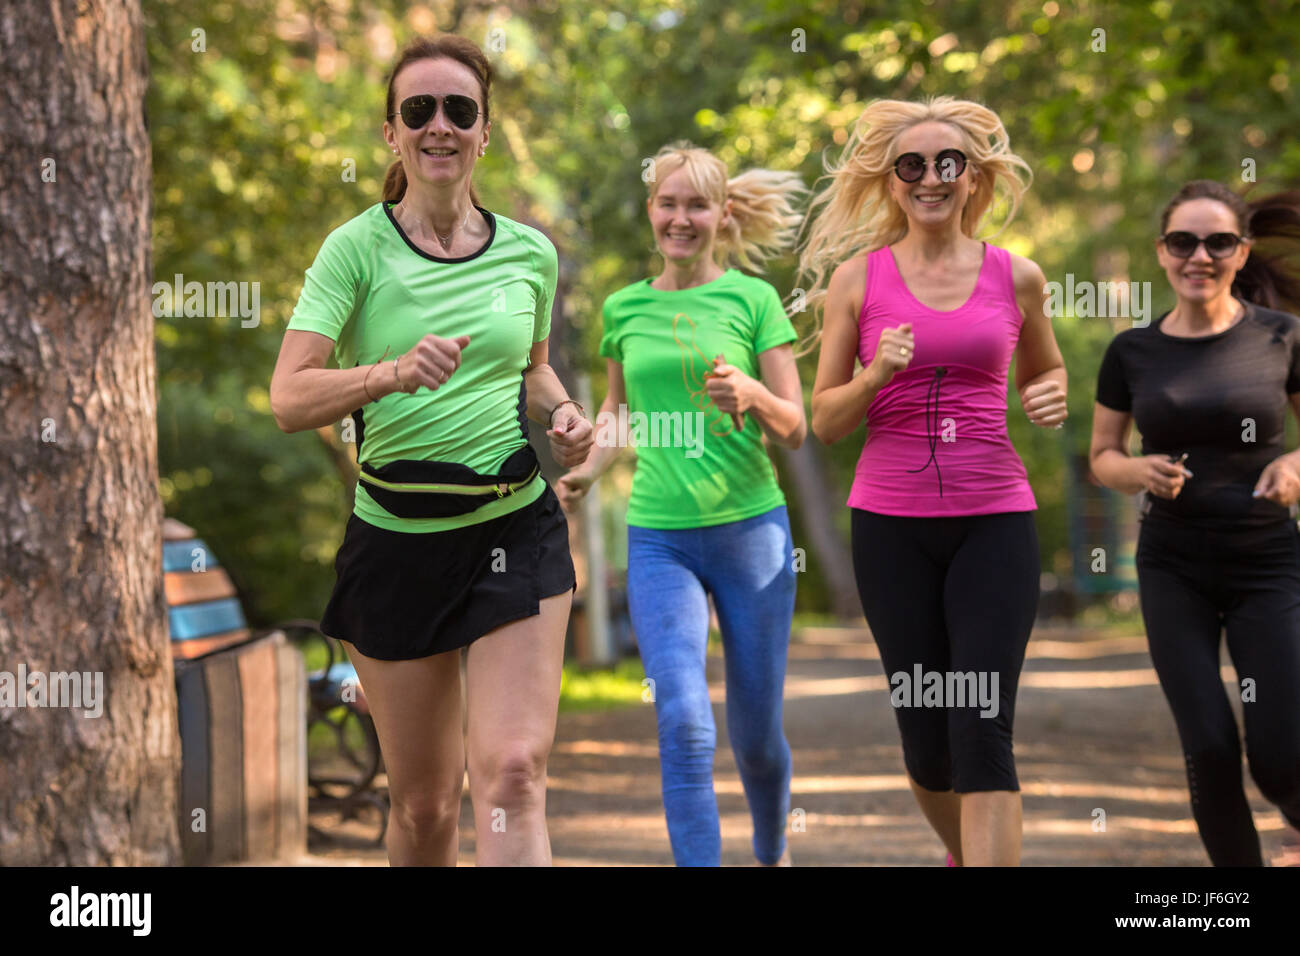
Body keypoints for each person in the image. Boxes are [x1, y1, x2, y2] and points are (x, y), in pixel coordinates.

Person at [268, 34, 593, 866]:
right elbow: (289, 396)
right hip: (397, 543)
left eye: (460, 110)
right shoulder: (356, 250)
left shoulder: (530, 252)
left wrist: (565, 418)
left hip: (512, 527)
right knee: (423, 807)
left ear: (484, 132)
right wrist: (385, 374)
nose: (439, 126)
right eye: (419, 110)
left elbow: (536, 371)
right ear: (392, 133)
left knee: (514, 774)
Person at [799, 97, 1067, 866]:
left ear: (972, 176)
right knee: (928, 741)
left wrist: (1048, 396)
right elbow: (824, 420)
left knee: (981, 726)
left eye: (946, 163)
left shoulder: (1018, 277)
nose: (929, 178)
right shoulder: (857, 282)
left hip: (996, 520)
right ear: (890, 183)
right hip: (890, 528)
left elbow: (1045, 375)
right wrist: (877, 372)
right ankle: (964, 855)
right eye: (910, 165)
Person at [556, 142, 807, 866]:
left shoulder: (753, 300)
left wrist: (753, 394)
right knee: (684, 722)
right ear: (651, 212)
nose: (680, 218)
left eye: (696, 204)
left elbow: (795, 427)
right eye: (668, 203)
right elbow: (616, 411)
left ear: (722, 215)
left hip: (751, 532)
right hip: (660, 537)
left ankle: (771, 852)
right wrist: (589, 471)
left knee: (756, 735)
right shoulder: (624, 308)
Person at [1090, 179, 1300, 867]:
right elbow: (1102, 457)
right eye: (1183, 241)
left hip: (1267, 565)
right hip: (1173, 568)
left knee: (1280, 752)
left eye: (1217, 242)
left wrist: (1295, 465)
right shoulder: (1131, 351)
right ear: (1162, 251)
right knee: (1208, 745)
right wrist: (1138, 472)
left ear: (1241, 253)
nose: (1198, 256)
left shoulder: (1282, 338)